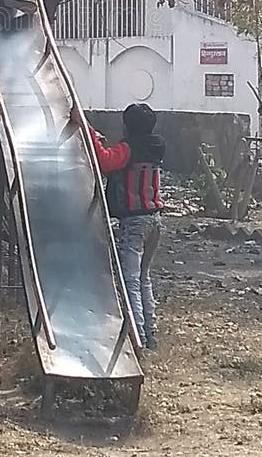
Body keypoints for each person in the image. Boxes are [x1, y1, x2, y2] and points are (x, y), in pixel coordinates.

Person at [72, 102, 164, 349]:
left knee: (130, 279)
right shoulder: (156, 146)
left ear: (127, 126)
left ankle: (137, 335)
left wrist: (85, 128)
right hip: (155, 220)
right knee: (144, 277)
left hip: (134, 222)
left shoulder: (128, 149)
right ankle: (150, 331)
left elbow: (104, 161)